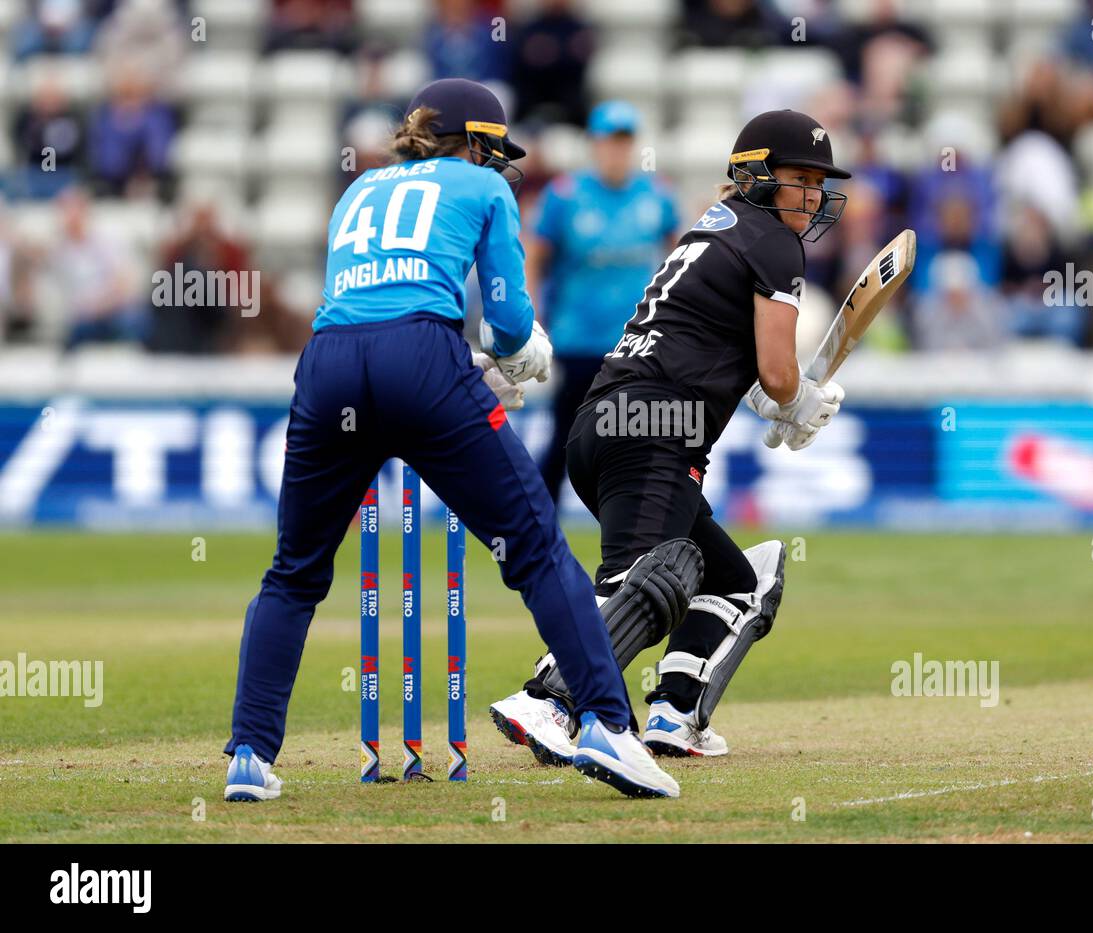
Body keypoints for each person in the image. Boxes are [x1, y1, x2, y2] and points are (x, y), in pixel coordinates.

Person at [223, 78, 682, 802]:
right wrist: (516, 348)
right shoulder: (481, 186)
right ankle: (603, 723)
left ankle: (248, 755)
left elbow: (368, 300)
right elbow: (503, 316)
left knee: (294, 570)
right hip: (422, 363)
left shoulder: (359, 190)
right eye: (492, 150)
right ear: (471, 141)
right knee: (535, 545)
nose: (498, 165)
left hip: (330, 362)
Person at [490, 110, 848, 761]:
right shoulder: (772, 239)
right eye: (800, 177)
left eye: (820, 181)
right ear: (757, 176)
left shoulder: (715, 229)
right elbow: (775, 367)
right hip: (658, 432)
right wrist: (799, 400)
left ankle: (674, 711)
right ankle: (548, 697)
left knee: (740, 579)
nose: (814, 195)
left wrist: (782, 403)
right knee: (638, 578)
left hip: (602, 425)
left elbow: (718, 352)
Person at [530, 101, 679, 502]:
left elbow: (681, 257)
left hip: (635, 341)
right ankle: (543, 525)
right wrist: (532, 315)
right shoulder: (565, 196)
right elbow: (534, 255)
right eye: (609, 142)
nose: (617, 151)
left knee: (636, 437)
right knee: (569, 435)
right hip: (579, 337)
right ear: (594, 145)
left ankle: (637, 529)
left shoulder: (655, 194)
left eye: (624, 142)